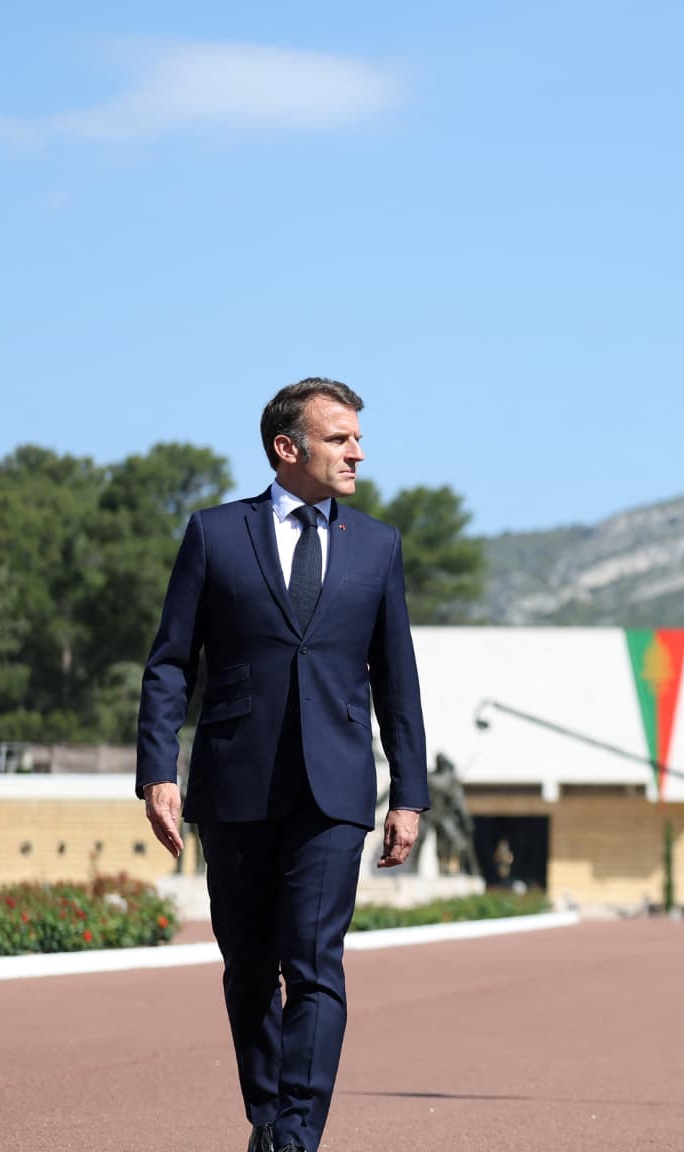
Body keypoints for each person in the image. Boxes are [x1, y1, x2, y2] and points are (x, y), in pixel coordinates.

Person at [136, 377, 429, 1152]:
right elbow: (171, 663)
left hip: (332, 790)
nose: (357, 452)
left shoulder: (378, 546)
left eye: (358, 438)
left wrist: (411, 793)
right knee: (247, 967)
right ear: (286, 448)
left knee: (315, 964)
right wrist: (158, 770)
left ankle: (295, 1135)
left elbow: (397, 677)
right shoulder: (213, 534)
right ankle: (268, 1114)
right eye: (340, 438)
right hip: (235, 783)